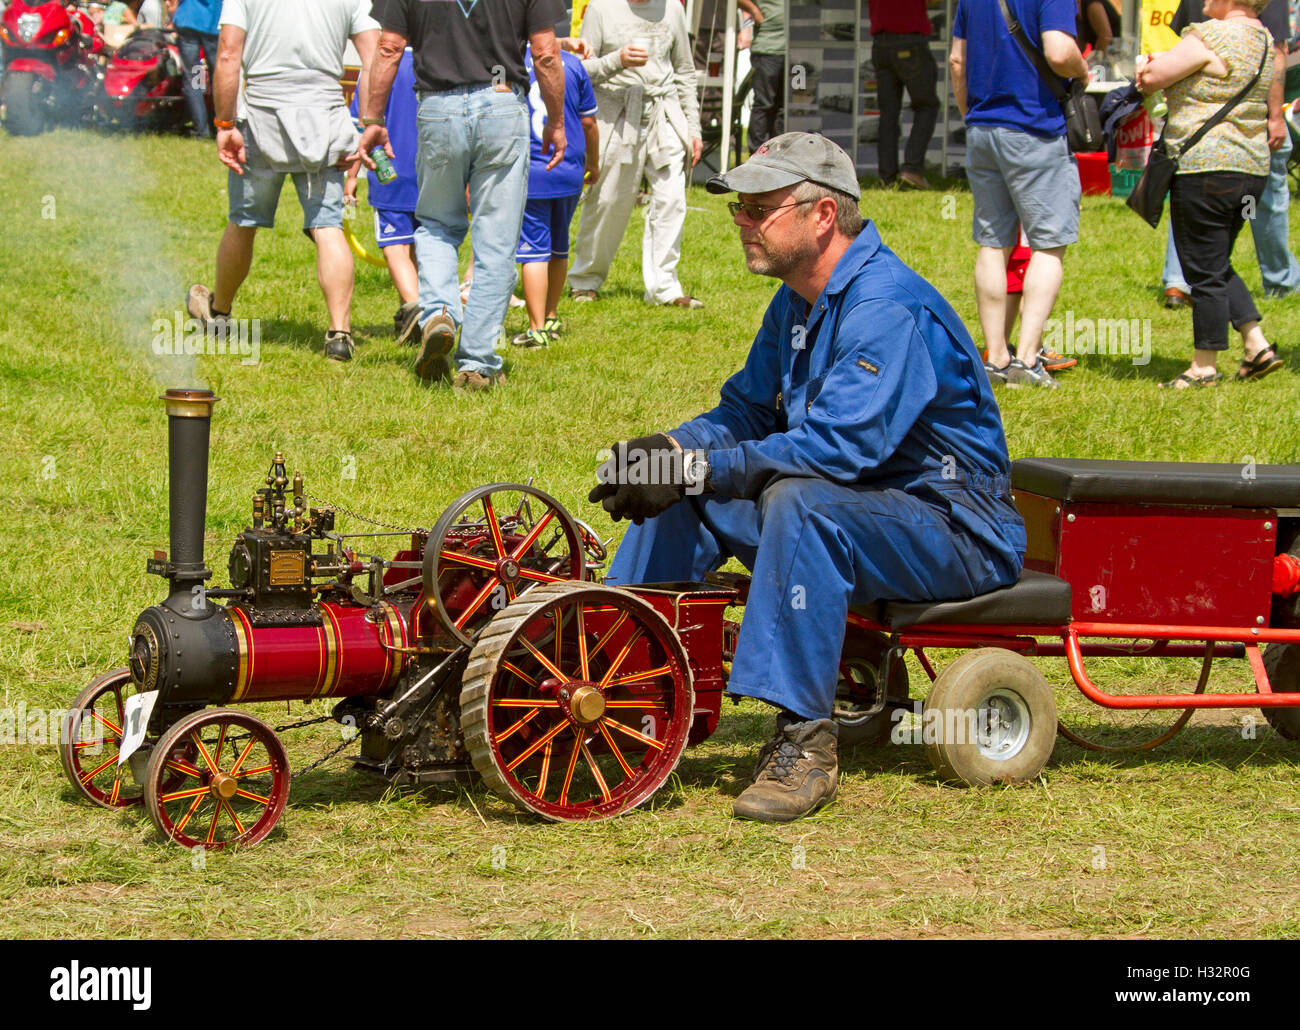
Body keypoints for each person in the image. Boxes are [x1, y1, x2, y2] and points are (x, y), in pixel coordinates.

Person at [589, 133, 1026, 823]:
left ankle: (805, 745)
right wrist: (664, 453)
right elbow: (746, 411)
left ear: (822, 215)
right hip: (865, 509)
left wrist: (695, 468)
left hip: (953, 527)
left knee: (800, 502)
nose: (741, 222)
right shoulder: (800, 299)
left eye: (758, 208)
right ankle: (620, 686)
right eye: (739, 208)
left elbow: (838, 450)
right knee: (694, 494)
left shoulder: (886, 307)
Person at [359, 0, 568, 393]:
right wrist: (556, 122)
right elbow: (546, 52)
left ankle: (439, 313)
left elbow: (388, 47)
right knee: (496, 241)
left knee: (437, 225)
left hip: (439, 106)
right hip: (503, 104)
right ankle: (476, 364)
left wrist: (373, 119)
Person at [184, 0, 378, 362]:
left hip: (261, 117)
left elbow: (227, 55)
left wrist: (225, 124)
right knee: (328, 225)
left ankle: (220, 314)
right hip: (325, 114)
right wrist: (368, 122)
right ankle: (339, 334)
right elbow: (374, 58)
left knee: (243, 222)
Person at [1138, 0, 1282, 386]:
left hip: (1206, 169)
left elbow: (1152, 77)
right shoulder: (1265, 39)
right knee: (1214, 260)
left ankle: (1204, 367)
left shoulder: (1210, 35)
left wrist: (1144, 69)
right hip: (1252, 173)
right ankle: (1257, 346)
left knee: (1202, 267)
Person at [950, 0, 1088, 388]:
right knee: (1049, 244)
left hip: (982, 128)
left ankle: (995, 359)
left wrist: (969, 115)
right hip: (1036, 128)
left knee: (993, 242)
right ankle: (1026, 361)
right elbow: (1060, 51)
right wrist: (1083, 71)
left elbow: (957, 62)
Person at [567, 0, 706, 309]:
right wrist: (617, 60)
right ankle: (585, 280)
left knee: (672, 199)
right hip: (615, 113)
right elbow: (580, 70)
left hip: (664, 112)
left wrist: (693, 128)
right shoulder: (600, 9)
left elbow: (684, 71)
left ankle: (664, 288)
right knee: (607, 200)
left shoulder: (673, 8)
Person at [1161, 0, 1299, 306]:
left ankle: (1178, 281)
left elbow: (1181, 53)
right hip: (1243, 137)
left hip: (1193, 135)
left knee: (1189, 206)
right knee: (1266, 202)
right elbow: (1276, 54)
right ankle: (1280, 279)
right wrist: (1275, 117)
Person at [511, 41, 600, 349]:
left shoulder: (508, 60)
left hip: (530, 169)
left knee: (534, 248)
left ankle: (537, 330)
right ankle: (550, 316)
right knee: (559, 246)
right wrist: (594, 162)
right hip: (570, 168)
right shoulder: (573, 64)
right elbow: (589, 122)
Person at [346, 45, 422, 346]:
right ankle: (419, 307)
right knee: (423, 243)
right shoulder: (441, 59)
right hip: (435, 170)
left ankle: (416, 308)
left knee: (394, 246)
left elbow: (359, 127)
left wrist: (351, 178)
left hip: (389, 169)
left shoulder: (376, 63)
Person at [868, 0, 939, 189]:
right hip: (910, 39)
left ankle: (887, 177)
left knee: (888, 114)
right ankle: (912, 169)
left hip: (880, 43)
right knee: (927, 105)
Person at [173, 0, 220, 138]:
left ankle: (201, 129)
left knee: (194, 77)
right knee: (218, 77)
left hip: (188, 19)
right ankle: (223, 125)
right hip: (212, 22)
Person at [746, 0, 786, 153]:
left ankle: (781, 156)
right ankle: (757, 157)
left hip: (796, 51)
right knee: (764, 105)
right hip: (767, 49)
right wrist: (754, 10)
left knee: (787, 108)